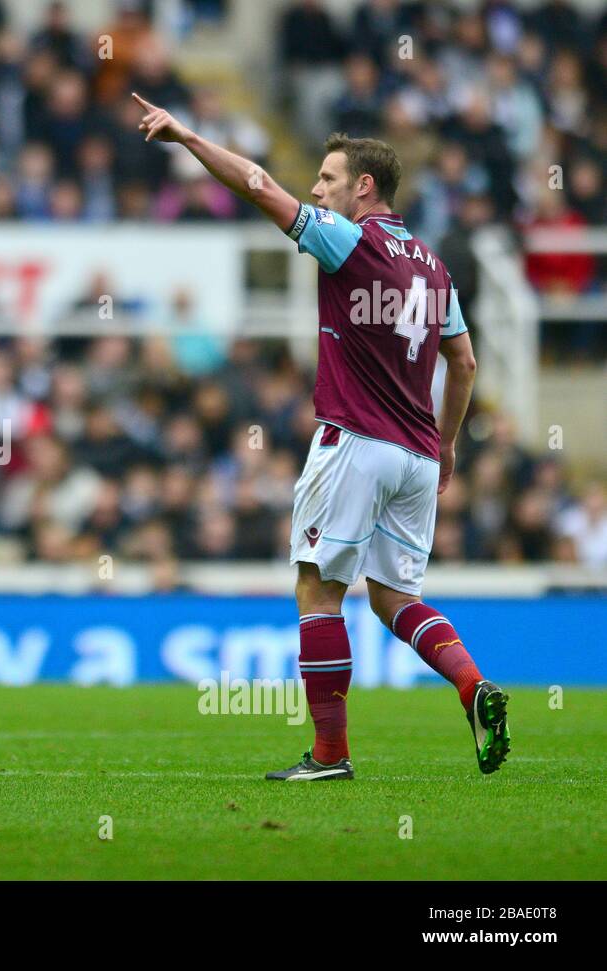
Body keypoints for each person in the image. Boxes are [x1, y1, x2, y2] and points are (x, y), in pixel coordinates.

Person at [133, 93, 510, 781]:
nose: (315, 188)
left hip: (356, 441)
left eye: (328, 178)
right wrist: (448, 441)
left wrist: (190, 137)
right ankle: (471, 684)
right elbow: (465, 362)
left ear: (363, 186)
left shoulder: (351, 240)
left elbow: (258, 186)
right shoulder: (433, 264)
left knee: (317, 589)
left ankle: (330, 754)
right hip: (419, 456)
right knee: (395, 597)